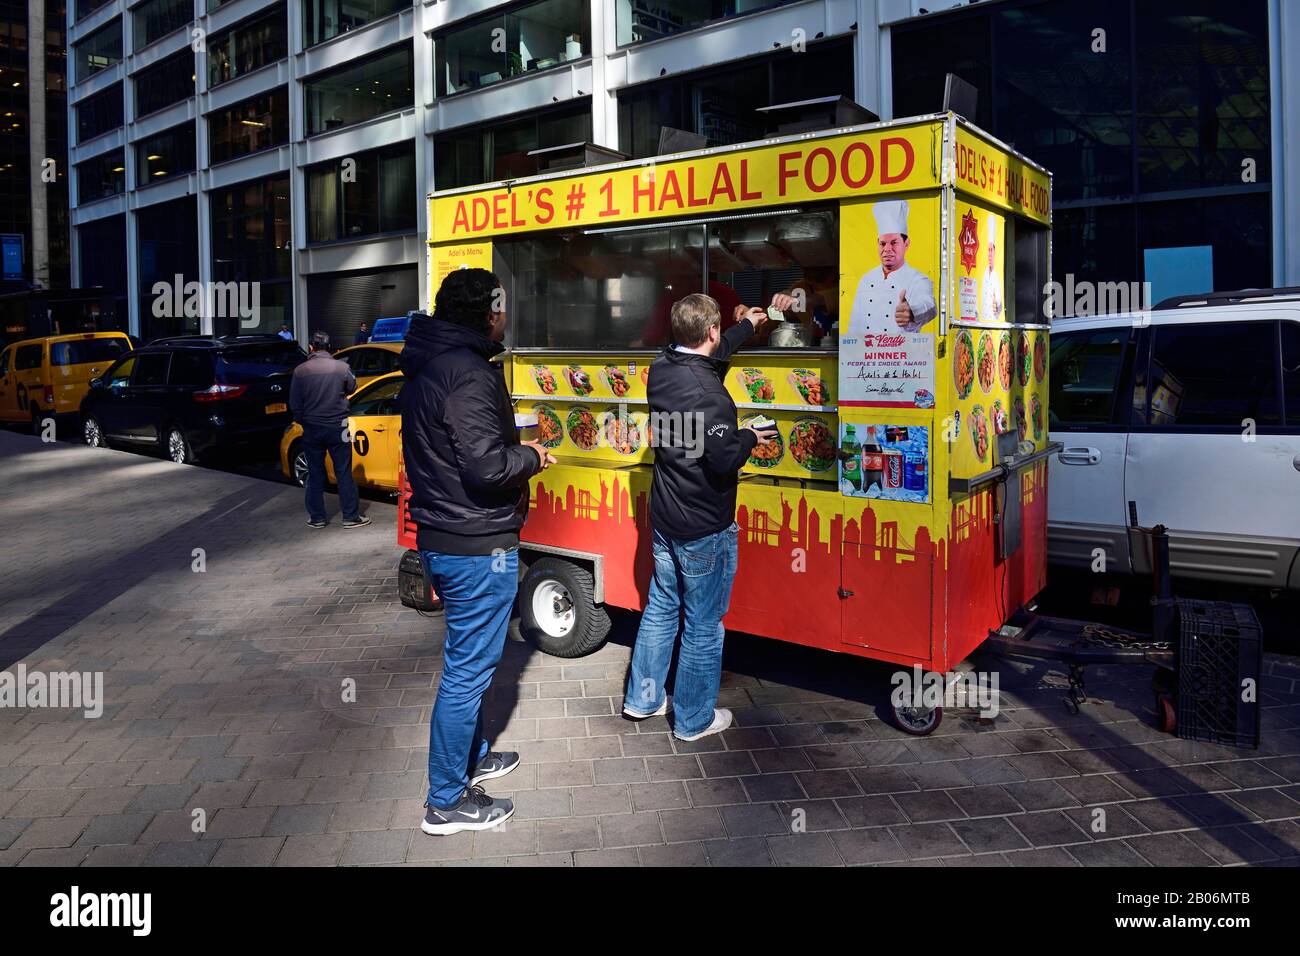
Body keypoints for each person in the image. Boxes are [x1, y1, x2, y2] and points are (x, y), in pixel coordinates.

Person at [400, 268, 555, 835]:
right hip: (474, 543)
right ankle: (445, 801)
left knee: (470, 665)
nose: (507, 314)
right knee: (467, 673)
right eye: (503, 305)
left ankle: (470, 760)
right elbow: (486, 466)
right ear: (489, 311)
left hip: (453, 535)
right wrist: (533, 455)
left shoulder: (434, 364)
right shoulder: (465, 374)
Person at [622, 291, 792, 741]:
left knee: (661, 606)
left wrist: (749, 326)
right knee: (702, 624)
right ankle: (694, 719)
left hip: (666, 516)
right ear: (711, 332)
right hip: (703, 525)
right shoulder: (709, 397)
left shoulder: (662, 370)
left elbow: (705, 359)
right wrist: (749, 436)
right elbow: (722, 459)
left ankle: (643, 699)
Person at [289, 331, 371, 530]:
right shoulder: (342, 367)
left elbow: (294, 403)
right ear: (329, 346)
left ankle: (317, 517)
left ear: (311, 347)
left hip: (312, 428)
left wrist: (304, 420)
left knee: (315, 473)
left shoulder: (300, 371)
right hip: (339, 425)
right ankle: (350, 516)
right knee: (343, 471)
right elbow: (352, 387)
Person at [847, 200, 937, 336]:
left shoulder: (918, 279)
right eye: (883, 244)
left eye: (894, 243)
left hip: (903, 354)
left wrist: (912, 312)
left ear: (906, 244)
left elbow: (930, 306)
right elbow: (854, 326)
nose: (887, 249)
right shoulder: (866, 280)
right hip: (867, 355)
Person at [980, 216, 1003, 322]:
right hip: (982, 319)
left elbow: (999, 305)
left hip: (992, 321)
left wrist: (997, 305)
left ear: (994, 252)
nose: (989, 254)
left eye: (991, 250)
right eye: (988, 250)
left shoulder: (996, 276)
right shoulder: (983, 273)